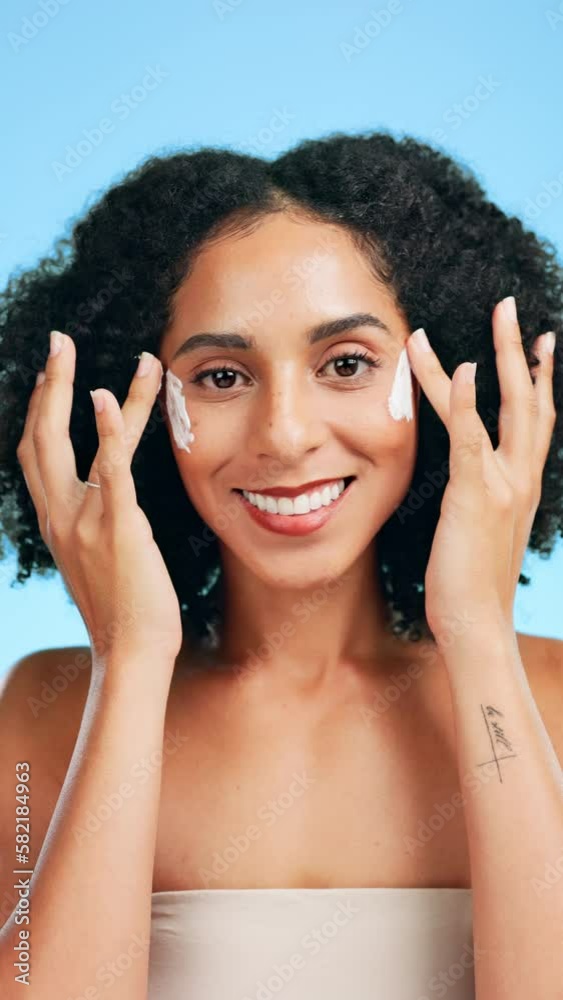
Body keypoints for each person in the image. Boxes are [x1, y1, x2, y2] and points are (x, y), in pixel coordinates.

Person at [0, 130, 562, 999]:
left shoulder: (551, 701)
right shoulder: (47, 715)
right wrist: (130, 660)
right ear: (139, 413)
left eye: (346, 363)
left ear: (453, 385)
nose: (285, 435)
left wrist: (479, 634)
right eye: (222, 377)